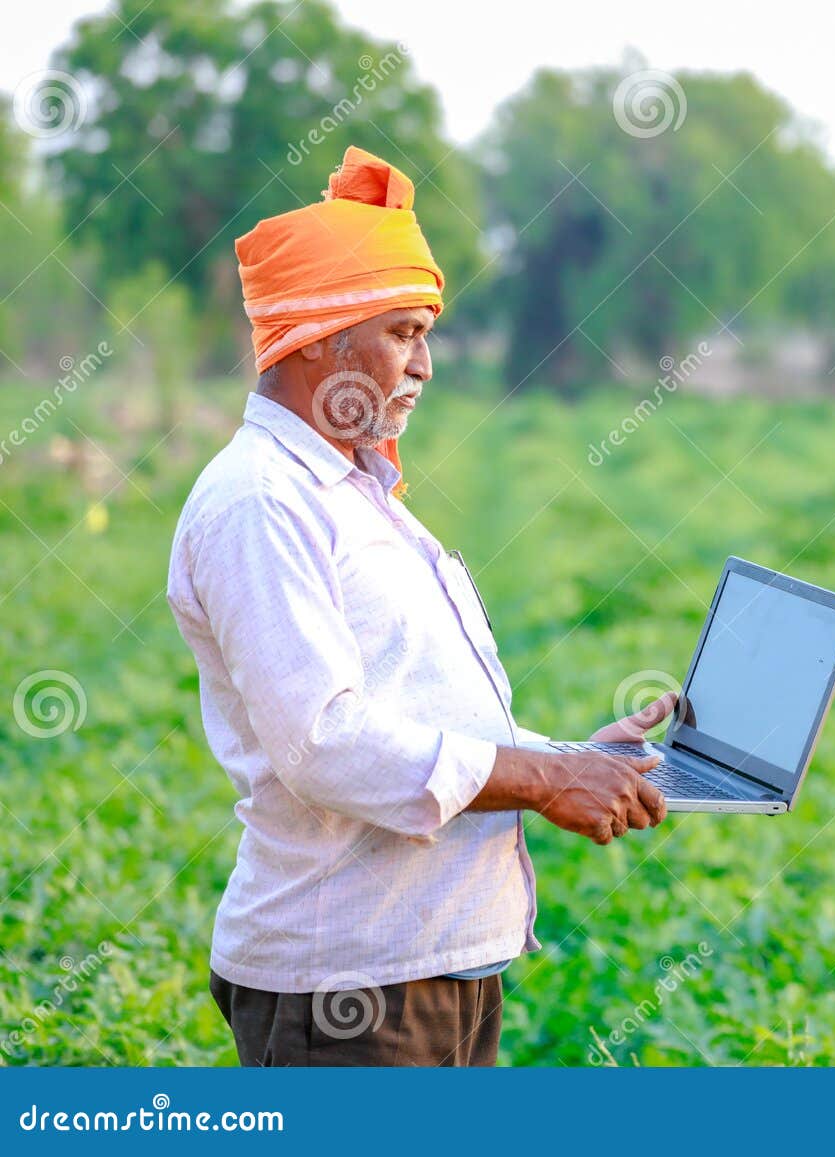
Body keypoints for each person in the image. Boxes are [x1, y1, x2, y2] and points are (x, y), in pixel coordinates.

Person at [166, 145, 672, 1067]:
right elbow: (326, 742)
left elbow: (410, 710)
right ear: (319, 335)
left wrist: (569, 758)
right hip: (349, 988)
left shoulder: (352, 489)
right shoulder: (262, 502)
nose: (425, 364)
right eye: (403, 331)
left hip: (435, 962)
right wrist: (545, 781)